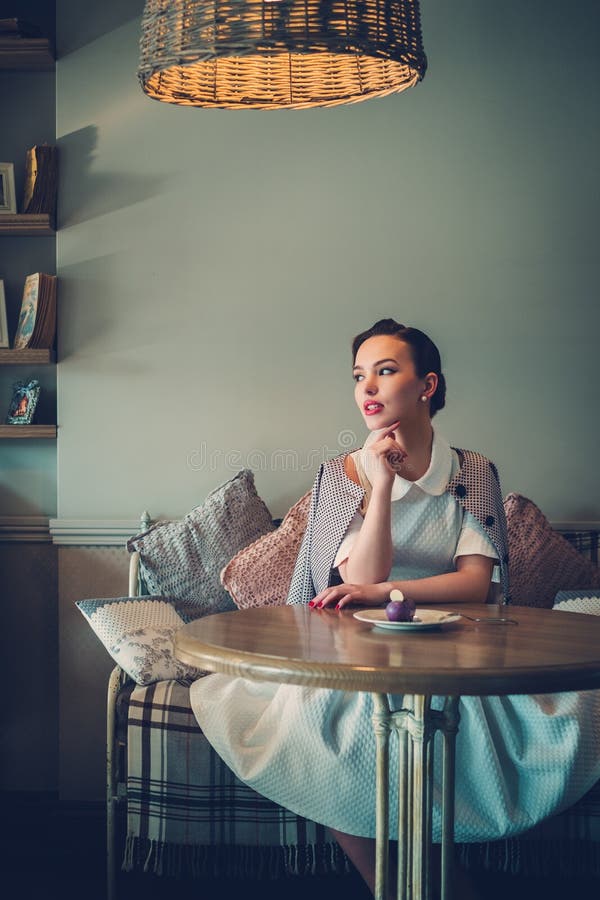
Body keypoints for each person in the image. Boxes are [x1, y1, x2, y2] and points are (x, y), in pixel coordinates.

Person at [190, 319, 600, 898]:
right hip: (356, 642)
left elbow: (475, 583)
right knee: (324, 728)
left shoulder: (473, 472)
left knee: (460, 729)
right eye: (359, 376)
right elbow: (360, 575)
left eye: (386, 371)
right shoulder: (342, 475)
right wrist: (379, 485)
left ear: (426, 385)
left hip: (455, 638)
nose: (368, 389)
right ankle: (415, 887)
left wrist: (385, 595)